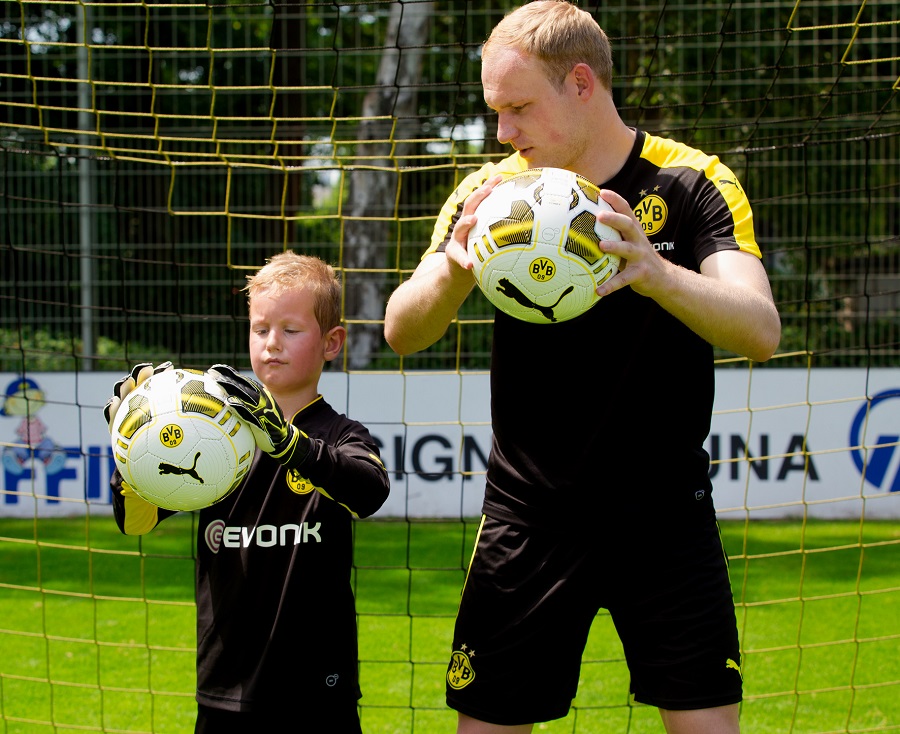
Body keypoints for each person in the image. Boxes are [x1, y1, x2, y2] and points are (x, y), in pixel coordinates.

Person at [383, 2, 781, 733]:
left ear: (580, 83)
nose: (503, 131)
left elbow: (760, 330)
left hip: (664, 516)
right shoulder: (489, 194)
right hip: (528, 517)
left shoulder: (691, 182)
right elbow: (401, 330)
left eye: (518, 107)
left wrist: (654, 273)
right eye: (494, 111)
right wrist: (453, 273)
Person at [105, 251, 390, 733]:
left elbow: (370, 492)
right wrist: (134, 451)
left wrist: (287, 443)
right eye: (261, 329)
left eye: (290, 330)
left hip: (318, 690)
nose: (272, 344)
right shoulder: (212, 433)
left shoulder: (341, 435)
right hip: (226, 688)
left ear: (331, 342)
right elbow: (135, 521)